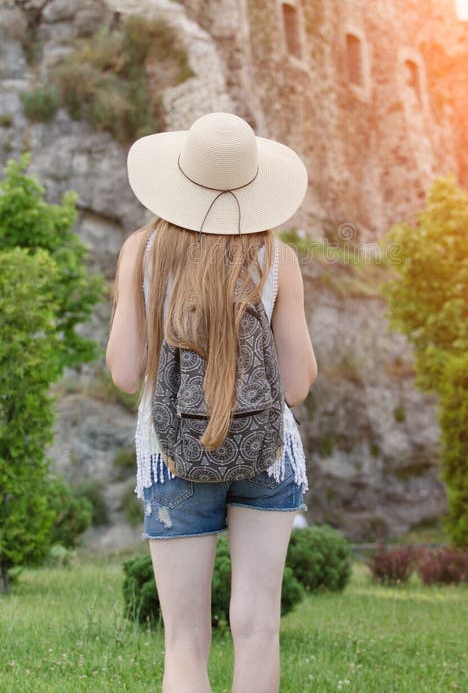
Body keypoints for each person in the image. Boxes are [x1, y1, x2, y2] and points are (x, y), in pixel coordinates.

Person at [106, 112, 318, 693]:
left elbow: (126, 373)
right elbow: (296, 386)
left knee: (185, 641)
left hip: (173, 455)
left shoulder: (142, 252)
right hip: (266, 455)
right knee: (257, 630)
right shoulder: (279, 260)